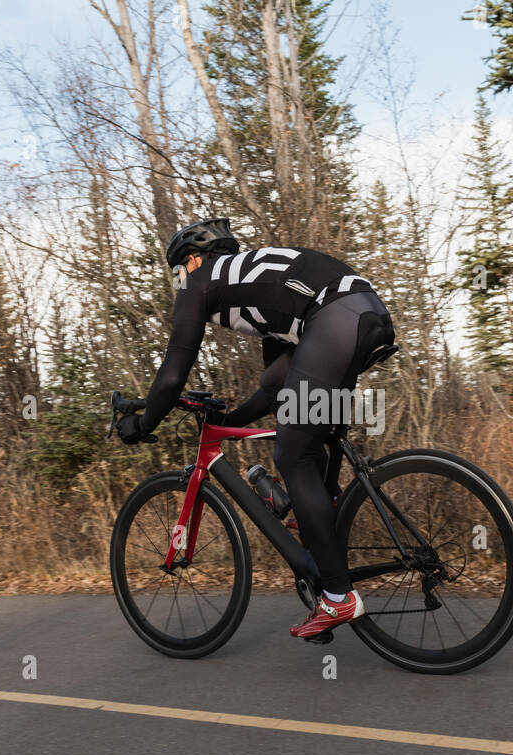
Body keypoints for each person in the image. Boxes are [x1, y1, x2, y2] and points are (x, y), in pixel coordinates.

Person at [114, 217, 396, 639]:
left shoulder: (199, 282)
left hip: (336, 319)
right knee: (302, 428)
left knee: (292, 453)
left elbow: (172, 375)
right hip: (364, 316)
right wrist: (229, 421)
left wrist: (142, 423)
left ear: (192, 261)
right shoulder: (257, 284)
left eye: (176, 272)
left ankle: (338, 599)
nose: (178, 281)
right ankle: (323, 516)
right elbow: (276, 385)